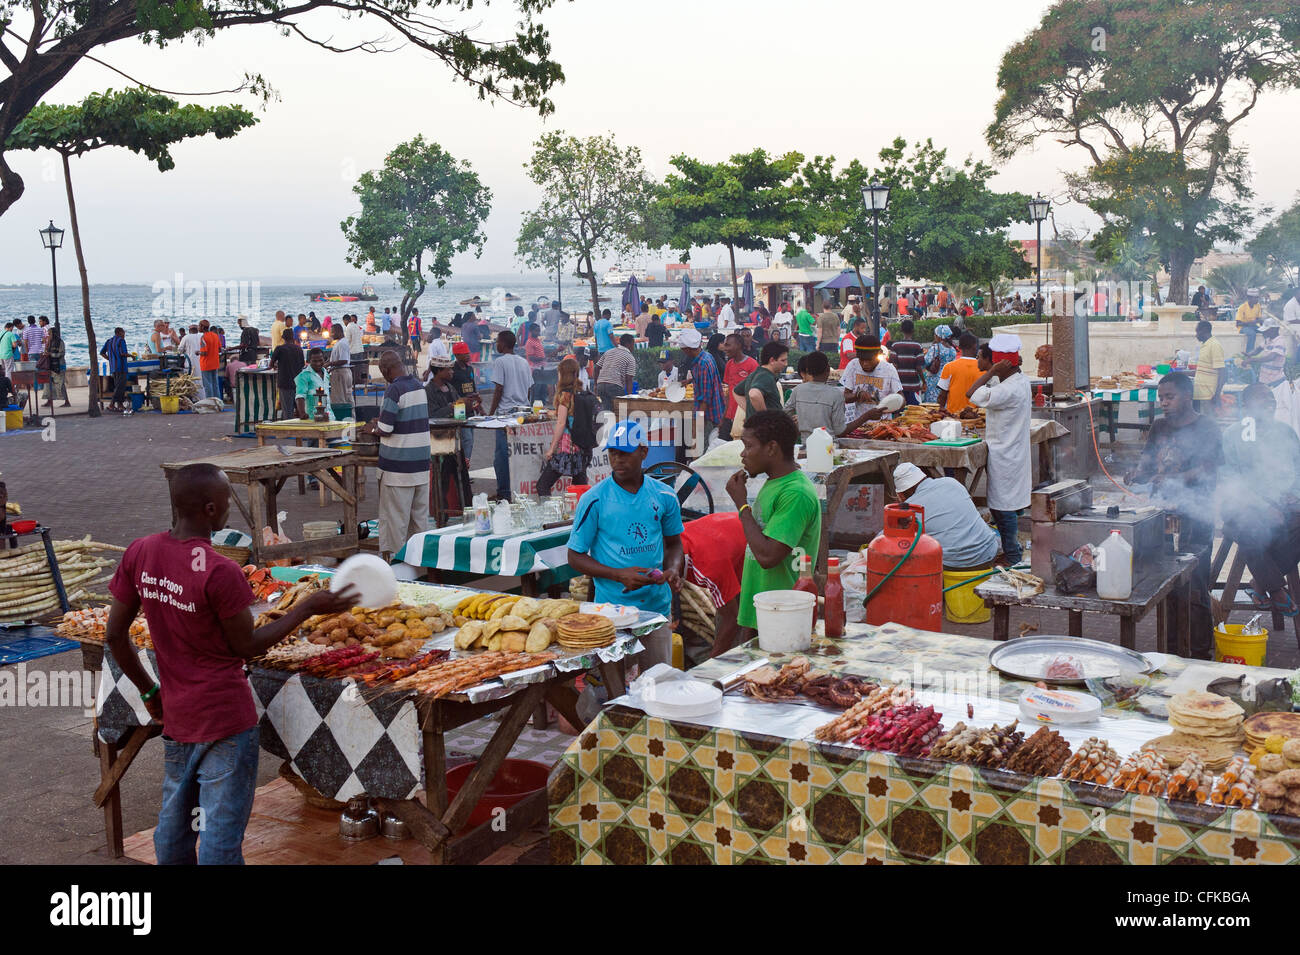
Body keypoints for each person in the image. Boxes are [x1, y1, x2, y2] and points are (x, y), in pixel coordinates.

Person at [104, 463, 356, 864]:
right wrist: (308, 607)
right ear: (209, 509)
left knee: (174, 829)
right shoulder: (221, 572)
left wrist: (150, 690)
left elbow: (115, 636)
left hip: (177, 716)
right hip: (224, 720)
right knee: (219, 837)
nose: (228, 510)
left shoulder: (141, 551)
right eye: (224, 501)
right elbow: (248, 646)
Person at [567, 419, 683, 667]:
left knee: (658, 682)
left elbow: (674, 543)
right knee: (615, 687)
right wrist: (618, 574)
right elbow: (575, 556)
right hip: (611, 613)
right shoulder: (594, 499)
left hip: (656, 609)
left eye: (625, 453)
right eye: (613, 453)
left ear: (643, 452)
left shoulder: (664, 495)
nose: (618, 459)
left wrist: (673, 570)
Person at [1125, 371, 1222, 658]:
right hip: (1162, 516)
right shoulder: (1158, 427)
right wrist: (1137, 473)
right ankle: (1171, 651)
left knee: (1194, 586)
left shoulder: (1207, 428)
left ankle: (1201, 652)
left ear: (1187, 396)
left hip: (1197, 516)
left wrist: (1174, 479)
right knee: (1166, 585)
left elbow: (1208, 469)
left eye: (1170, 397)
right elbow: (1147, 463)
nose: (1164, 403)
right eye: (1161, 398)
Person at [729, 410, 822, 639]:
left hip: (784, 616)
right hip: (762, 611)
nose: (743, 454)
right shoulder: (774, 482)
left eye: (748, 446)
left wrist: (742, 505)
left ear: (771, 448)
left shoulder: (795, 493)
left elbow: (768, 556)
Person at [1219, 383, 1300, 615]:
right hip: (1243, 505)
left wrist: (1293, 495)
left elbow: (1298, 470)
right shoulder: (1233, 435)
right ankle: (1275, 589)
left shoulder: (1285, 432)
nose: (1270, 404)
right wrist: (1264, 507)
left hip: (1284, 504)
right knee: (1248, 527)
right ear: (1246, 406)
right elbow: (1231, 479)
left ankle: (1261, 584)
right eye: (1262, 400)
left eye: (1271, 399)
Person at [965, 333, 1031, 564]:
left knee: (1003, 507)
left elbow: (971, 394)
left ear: (1002, 365)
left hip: (1006, 453)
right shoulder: (1018, 380)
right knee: (1010, 504)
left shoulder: (1008, 390)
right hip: (1012, 450)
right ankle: (1012, 550)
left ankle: (1013, 555)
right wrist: (997, 371)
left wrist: (991, 371)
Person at [360, 351, 431, 558]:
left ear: (384, 370)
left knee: (395, 525)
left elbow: (386, 429)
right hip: (420, 467)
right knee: (419, 524)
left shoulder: (394, 390)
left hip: (398, 470)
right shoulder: (418, 386)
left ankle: (396, 572)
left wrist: (371, 429)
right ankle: (420, 569)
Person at [892, 463, 1000, 569]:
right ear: (923, 477)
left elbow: (888, 538)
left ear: (901, 495)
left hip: (953, 565)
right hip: (988, 552)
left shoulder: (912, 508)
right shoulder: (952, 482)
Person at [672, 512, 748, 659]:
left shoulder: (707, 568)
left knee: (738, 631)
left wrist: (712, 663)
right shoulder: (674, 540)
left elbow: (731, 619)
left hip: (755, 553)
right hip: (734, 540)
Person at [537, 356, 593, 496]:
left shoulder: (566, 396)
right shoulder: (583, 392)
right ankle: (579, 515)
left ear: (562, 374)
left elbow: (561, 423)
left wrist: (552, 449)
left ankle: (549, 515)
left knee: (542, 485)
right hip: (583, 447)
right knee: (580, 490)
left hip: (568, 447)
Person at [488, 330, 533, 500]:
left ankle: (504, 493)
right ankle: (519, 491)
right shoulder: (523, 362)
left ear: (504, 344)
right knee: (519, 454)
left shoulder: (500, 362)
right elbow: (529, 389)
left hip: (505, 416)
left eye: (498, 342)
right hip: (523, 414)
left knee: (501, 457)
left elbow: (499, 389)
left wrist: (491, 414)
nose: (496, 345)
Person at [423, 355, 472, 510]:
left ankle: (466, 508)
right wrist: (451, 407)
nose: (452, 372)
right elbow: (431, 415)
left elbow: (460, 409)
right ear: (438, 371)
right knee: (441, 479)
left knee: (462, 477)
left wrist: (469, 404)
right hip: (439, 442)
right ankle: (440, 511)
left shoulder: (450, 388)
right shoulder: (428, 391)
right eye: (448, 369)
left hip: (455, 440)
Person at [678, 327, 725, 445]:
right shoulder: (707, 356)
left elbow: (705, 396)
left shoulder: (702, 364)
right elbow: (705, 379)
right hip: (713, 408)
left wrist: (699, 419)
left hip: (709, 410)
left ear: (688, 350)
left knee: (700, 443)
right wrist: (689, 380)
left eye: (683, 350)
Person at [841, 334, 901, 422]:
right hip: (858, 425)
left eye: (869, 360)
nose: (865, 364)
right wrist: (857, 395)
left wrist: (891, 406)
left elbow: (900, 398)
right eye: (861, 360)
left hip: (882, 425)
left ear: (879, 354)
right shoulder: (853, 365)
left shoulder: (889, 369)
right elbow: (845, 396)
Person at [719, 332, 758, 440]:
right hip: (729, 416)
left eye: (728, 345)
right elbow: (728, 393)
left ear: (739, 346)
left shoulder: (752, 364)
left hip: (744, 417)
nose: (724, 348)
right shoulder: (729, 364)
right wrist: (723, 416)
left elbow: (756, 394)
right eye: (724, 344)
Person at [739, 341, 788, 417]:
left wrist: (750, 412)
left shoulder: (755, 374)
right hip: (765, 427)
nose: (786, 364)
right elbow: (754, 394)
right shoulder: (766, 376)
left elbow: (736, 392)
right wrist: (765, 418)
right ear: (772, 360)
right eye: (783, 360)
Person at [938, 332, 982, 414]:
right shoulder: (983, 368)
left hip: (953, 416)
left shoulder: (949, 367)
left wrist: (940, 411)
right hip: (977, 416)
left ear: (960, 347)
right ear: (975, 347)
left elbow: (942, 395)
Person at [593, 332, 636, 413]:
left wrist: (595, 384)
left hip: (601, 385)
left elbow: (596, 368)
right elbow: (629, 379)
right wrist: (629, 397)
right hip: (615, 386)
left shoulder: (609, 352)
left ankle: (607, 425)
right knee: (620, 412)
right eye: (633, 344)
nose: (633, 347)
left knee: (606, 412)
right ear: (628, 344)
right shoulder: (630, 357)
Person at [269, 328, 304, 420]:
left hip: (284, 382)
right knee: (299, 409)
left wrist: (277, 366)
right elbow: (302, 365)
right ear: (293, 337)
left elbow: (271, 364)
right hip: (297, 383)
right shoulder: (299, 349)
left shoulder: (279, 349)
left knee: (287, 410)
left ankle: (288, 430)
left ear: (283, 338)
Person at [890, 319, 926, 405]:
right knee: (913, 410)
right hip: (913, 385)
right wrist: (924, 381)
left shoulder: (895, 345)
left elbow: (894, 366)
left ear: (901, 330)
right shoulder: (917, 346)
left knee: (898, 409)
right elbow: (918, 367)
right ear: (913, 330)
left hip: (898, 385)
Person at [1193, 319, 1225, 412]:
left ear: (1204, 330)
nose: (1196, 335)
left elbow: (1222, 371)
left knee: (1208, 422)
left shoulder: (1214, 345)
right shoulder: (1205, 345)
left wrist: (1217, 394)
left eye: (1197, 331)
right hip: (1200, 392)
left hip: (1209, 394)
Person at [1241, 323, 1287, 387]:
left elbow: (1271, 357)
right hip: (1264, 379)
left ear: (1274, 329)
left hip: (1276, 380)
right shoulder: (1267, 340)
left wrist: (1252, 360)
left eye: (1266, 330)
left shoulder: (1280, 342)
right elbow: (1258, 349)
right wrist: (1249, 354)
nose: (1264, 332)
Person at [294, 347, 334, 420]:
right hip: (312, 419)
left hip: (330, 417)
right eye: (314, 361)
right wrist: (302, 413)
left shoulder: (325, 373)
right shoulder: (303, 376)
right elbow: (300, 396)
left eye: (320, 360)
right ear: (309, 361)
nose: (318, 363)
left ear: (324, 360)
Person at [922, 325, 957, 404]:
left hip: (934, 380)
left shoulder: (936, 348)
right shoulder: (953, 350)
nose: (934, 336)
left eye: (935, 334)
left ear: (940, 336)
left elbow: (925, 362)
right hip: (947, 380)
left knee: (932, 405)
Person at [325, 324, 353, 419]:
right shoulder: (340, 343)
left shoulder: (342, 343)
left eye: (332, 332)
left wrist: (330, 364)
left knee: (341, 399)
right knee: (347, 397)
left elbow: (344, 360)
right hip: (341, 372)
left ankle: (344, 419)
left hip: (341, 373)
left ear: (338, 332)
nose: (331, 334)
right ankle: (349, 418)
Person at [100, 327, 130, 412]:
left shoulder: (109, 341)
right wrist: (131, 356)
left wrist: (110, 359)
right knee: (120, 387)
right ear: (120, 333)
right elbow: (123, 353)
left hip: (113, 367)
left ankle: (120, 405)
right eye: (123, 333)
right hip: (121, 367)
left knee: (118, 386)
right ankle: (111, 404)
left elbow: (102, 352)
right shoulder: (121, 341)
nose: (124, 335)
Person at [225, 322, 262, 391]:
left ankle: (245, 391)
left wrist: (231, 348)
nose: (239, 325)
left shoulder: (245, 331)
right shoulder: (254, 331)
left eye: (239, 324)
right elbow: (257, 343)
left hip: (246, 356)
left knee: (245, 376)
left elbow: (244, 345)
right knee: (252, 375)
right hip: (253, 355)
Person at [198, 319, 223, 402]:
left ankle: (210, 403)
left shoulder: (203, 338)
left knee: (208, 385)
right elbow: (220, 349)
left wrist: (198, 352)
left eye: (199, 326)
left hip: (206, 364)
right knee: (215, 384)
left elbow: (204, 353)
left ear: (202, 327)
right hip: (215, 363)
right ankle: (218, 402)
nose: (198, 327)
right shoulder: (215, 335)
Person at [44, 326, 69, 407]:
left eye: (49, 334)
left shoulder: (60, 342)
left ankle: (67, 402)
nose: (48, 336)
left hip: (59, 365)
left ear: (53, 334)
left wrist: (51, 354)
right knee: (49, 383)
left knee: (60, 384)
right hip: (51, 365)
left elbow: (62, 353)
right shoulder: (50, 342)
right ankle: (49, 401)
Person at [1235, 288, 1264, 353]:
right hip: (1243, 328)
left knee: (1266, 332)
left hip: (1254, 326)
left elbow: (1258, 318)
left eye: (1257, 297)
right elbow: (1238, 324)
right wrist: (1250, 323)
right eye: (1255, 298)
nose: (1257, 299)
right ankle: (1249, 353)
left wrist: (1263, 326)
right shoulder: (1242, 307)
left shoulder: (1258, 305)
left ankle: (1266, 351)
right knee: (1252, 334)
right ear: (1249, 298)